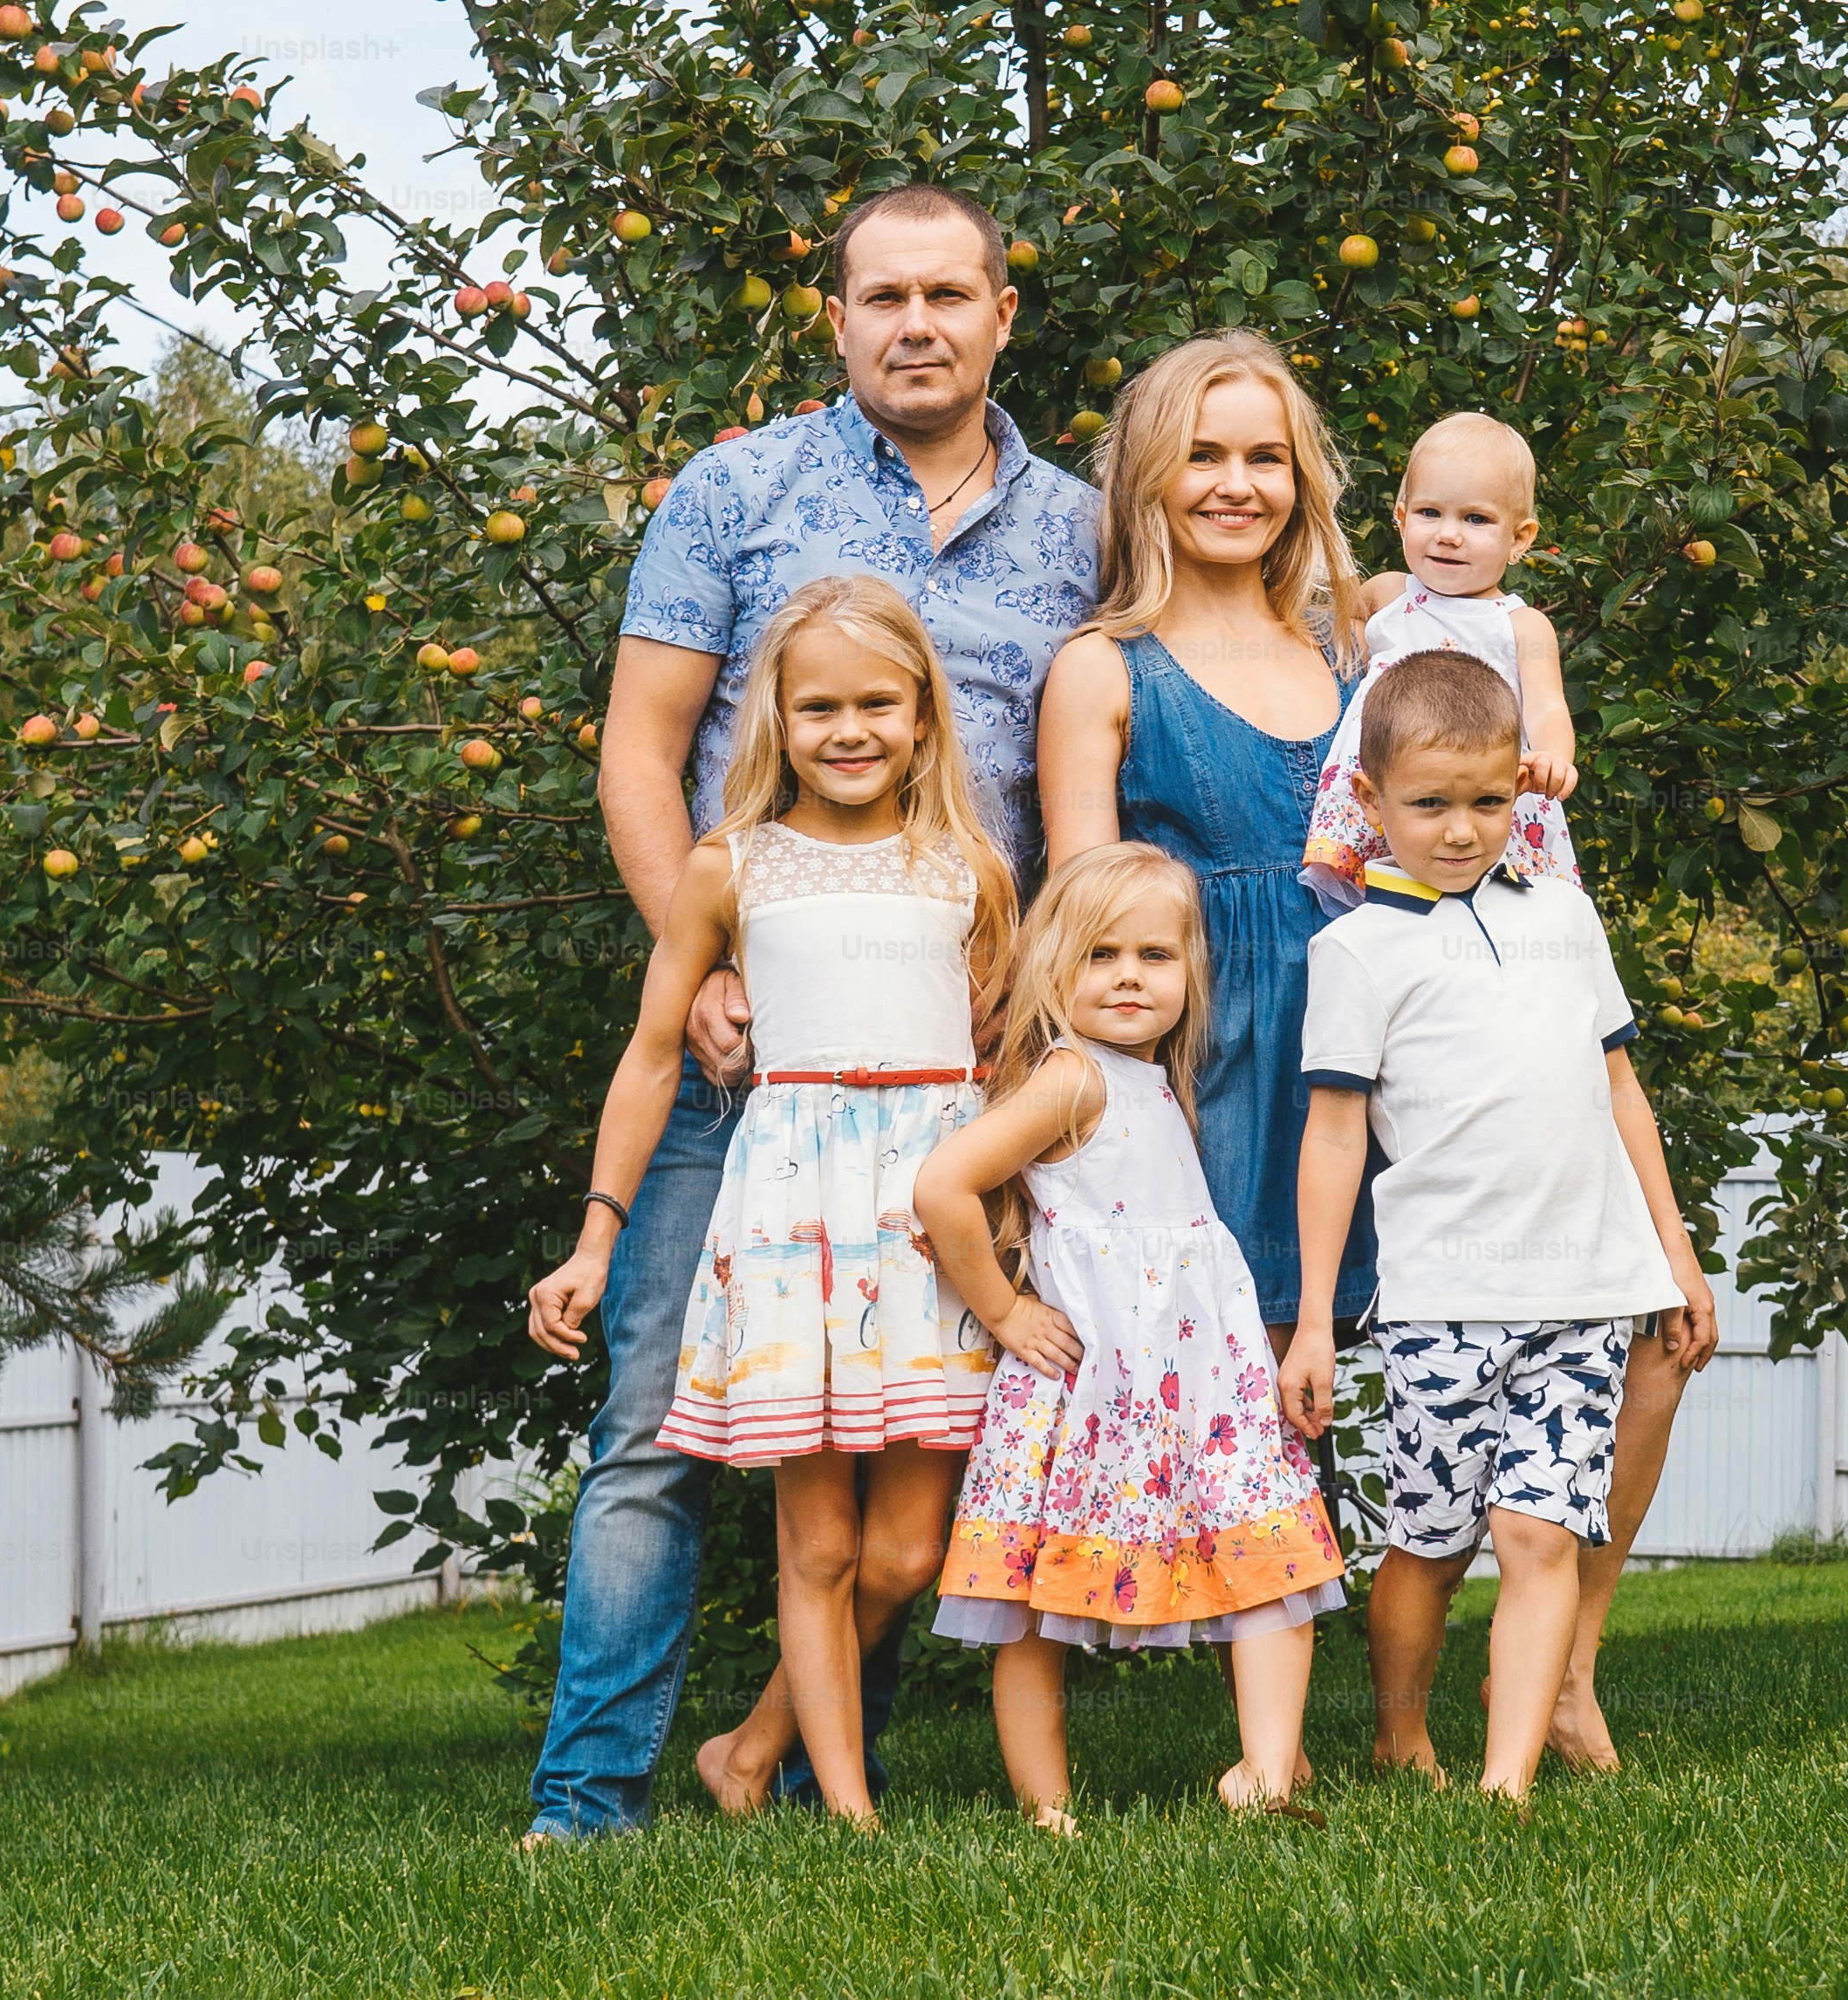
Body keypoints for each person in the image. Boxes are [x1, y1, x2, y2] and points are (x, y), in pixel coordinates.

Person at [522, 182, 1097, 1846]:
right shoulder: (737, 490)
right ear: (835, 319)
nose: (914, 323)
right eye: (881, 297)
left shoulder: (1077, 526)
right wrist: (700, 967)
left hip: (959, 1074)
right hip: (746, 1063)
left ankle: (773, 1745)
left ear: (1002, 314)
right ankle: (587, 1798)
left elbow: (1096, 760)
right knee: (651, 1428)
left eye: (947, 294)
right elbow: (641, 748)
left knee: (928, 1427)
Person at [526, 573, 1018, 1828]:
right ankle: (846, 1811)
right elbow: (651, 1056)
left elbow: (1001, 1049)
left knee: (906, 1552)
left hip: (922, 1227)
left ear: (920, 717)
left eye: (874, 705)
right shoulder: (729, 866)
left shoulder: (967, 865)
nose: (846, 732)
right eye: (816, 709)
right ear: (775, 722)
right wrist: (596, 1238)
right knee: (819, 1547)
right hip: (794, 1222)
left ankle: (746, 1751)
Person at [1282, 650, 1719, 1802]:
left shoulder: (1564, 919)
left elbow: (1619, 1091)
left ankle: (1505, 1787)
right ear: (1370, 802)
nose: (1464, 829)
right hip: (1438, 1301)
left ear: (1519, 790)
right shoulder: (1352, 951)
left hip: (1580, 1294)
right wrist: (1317, 1322)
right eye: (1430, 804)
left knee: (1540, 1536)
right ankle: (1398, 1735)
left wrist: (1672, 1254)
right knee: (1426, 1546)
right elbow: (1332, 1140)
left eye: (1488, 801)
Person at [915, 843, 1345, 1835]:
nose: (1129, 977)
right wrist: (1007, 1309)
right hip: (1098, 1381)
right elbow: (944, 1187)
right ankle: (1046, 1806)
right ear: (1056, 968)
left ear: (1191, 971)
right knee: (1030, 1605)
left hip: (1202, 1379)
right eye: (1102, 954)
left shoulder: (1155, 1080)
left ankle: (1268, 1774)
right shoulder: (1073, 1079)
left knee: (1277, 1558)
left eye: (1156, 954)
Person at [1037, 328, 1376, 1362]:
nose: (1238, 485)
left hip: (1369, 1067)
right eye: (1203, 455)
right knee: (1223, 1390)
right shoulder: (1103, 670)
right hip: (1209, 1074)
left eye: (1265, 458)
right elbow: (1085, 934)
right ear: (1149, 476)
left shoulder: (1359, 645)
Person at [1300, 412, 1581, 908]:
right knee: (1391, 917)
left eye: (1476, 519)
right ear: (1402, 518)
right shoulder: (1387, 595)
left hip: (1479, 797)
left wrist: (1554, 759)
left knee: (1491, 913)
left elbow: (1546, 707)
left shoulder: (1519, 624)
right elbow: (1320, 632)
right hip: (1391, 787)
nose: (1448, 534)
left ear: (1520, 538)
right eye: (1430, 513)